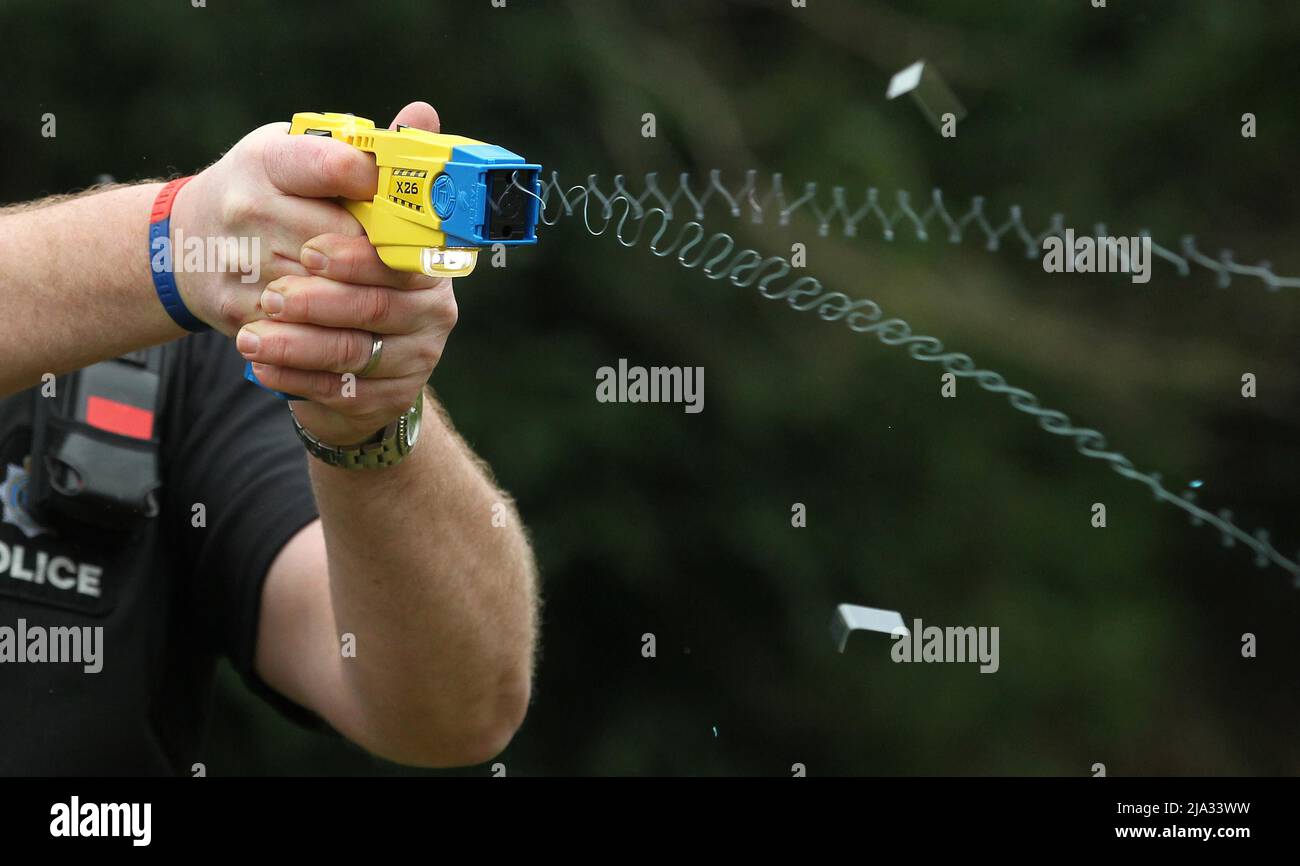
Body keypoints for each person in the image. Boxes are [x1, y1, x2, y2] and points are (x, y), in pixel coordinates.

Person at [0, 101, 538, 774]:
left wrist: (367, 422)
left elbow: (459, 713)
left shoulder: (177, 354)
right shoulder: (175, 306)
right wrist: (176, 241)